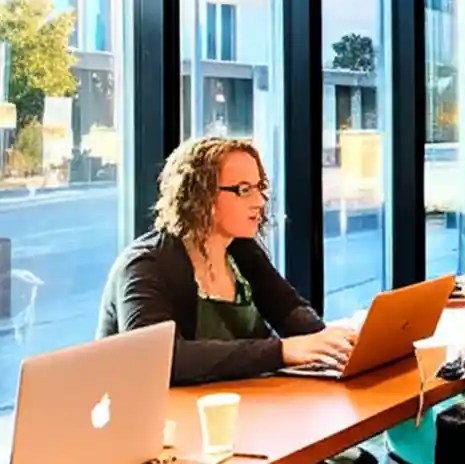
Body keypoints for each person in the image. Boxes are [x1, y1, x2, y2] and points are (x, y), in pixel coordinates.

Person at [98, 137, 357, 385]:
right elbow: (159, 359)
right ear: (199, 195)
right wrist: (281, 351)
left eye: (259, 188)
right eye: (243, 190)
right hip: (165, 421)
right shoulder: (144, 266)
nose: (260, 201)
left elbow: (288, 310)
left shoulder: (241, 250)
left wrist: (333, 342)